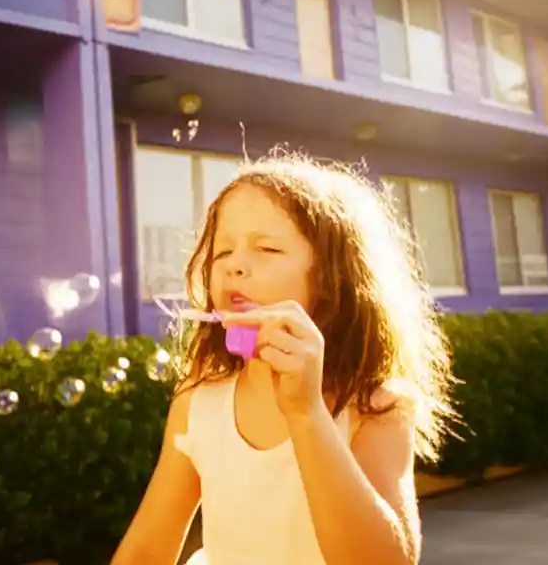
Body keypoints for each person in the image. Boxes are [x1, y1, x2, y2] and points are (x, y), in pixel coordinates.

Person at [112, 152, 456, 565]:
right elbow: (148, 546)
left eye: (267, 248)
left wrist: (307, 413)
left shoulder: (376, 405)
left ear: (332, 280)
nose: (235, 265)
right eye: (223, 252)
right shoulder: (199, 400)